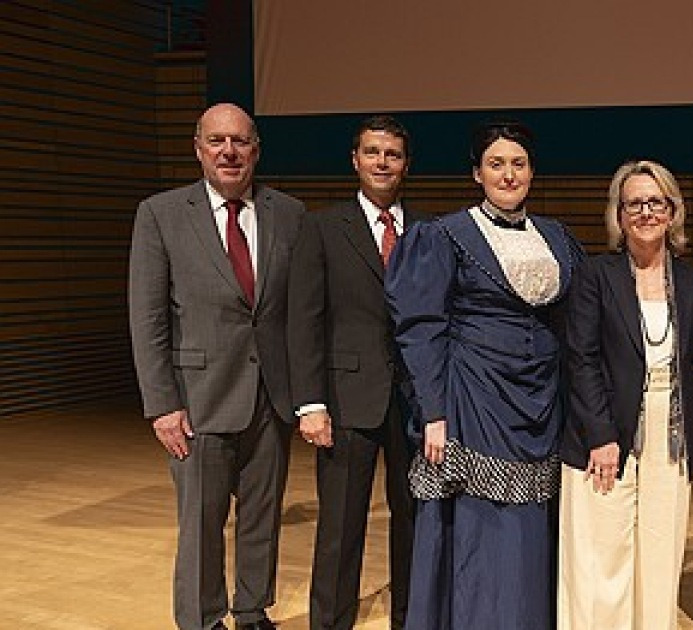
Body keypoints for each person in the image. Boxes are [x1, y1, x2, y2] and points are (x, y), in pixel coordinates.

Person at [385, 120, 584, 630]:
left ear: (532, 172)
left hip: (540, 399)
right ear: (477, 173)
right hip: (473, 395)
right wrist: (433, 411)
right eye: (496, 164)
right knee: (478, 528)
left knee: (530, 529)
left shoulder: (556, 236)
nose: (508, 174)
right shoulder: (446, 235)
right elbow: (421, 326)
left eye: (518, 164)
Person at [129, 103, 305, 630]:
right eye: (216, 142)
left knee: (261, 519)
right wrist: (162, 404)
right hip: (197, 400)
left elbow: (299, 310)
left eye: (240, 142)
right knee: (202, 527)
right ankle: (203, 621)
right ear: (199, 148)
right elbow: (148, 317)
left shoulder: (289, 213)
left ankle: (252, 612)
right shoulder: (160, 213)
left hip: (271, 398)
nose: (229, 152)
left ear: (256, 149)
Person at [287, 115, 429, 630]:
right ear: (355, 160)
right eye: (372, 152)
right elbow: (304, 319)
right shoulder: (321, 227)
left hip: (415, 401)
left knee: (414, 520)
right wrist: (310, 403)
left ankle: (412, 619)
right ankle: (331, 623)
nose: (382, 162)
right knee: (340, 526)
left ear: (406, 163)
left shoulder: (428, 230)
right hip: (346, 400)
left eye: (392, 154)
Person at [558, 160, 693, 630]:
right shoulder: (594, 275)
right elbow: (580, 359)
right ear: (618, 215)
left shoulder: (690, 283)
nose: (645, 212)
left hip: (671, 431)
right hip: (601, 427)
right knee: (604, 559)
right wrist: (601, 435)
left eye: (655, 202)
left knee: (660, 557)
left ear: (672, 210)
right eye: (634, 204)